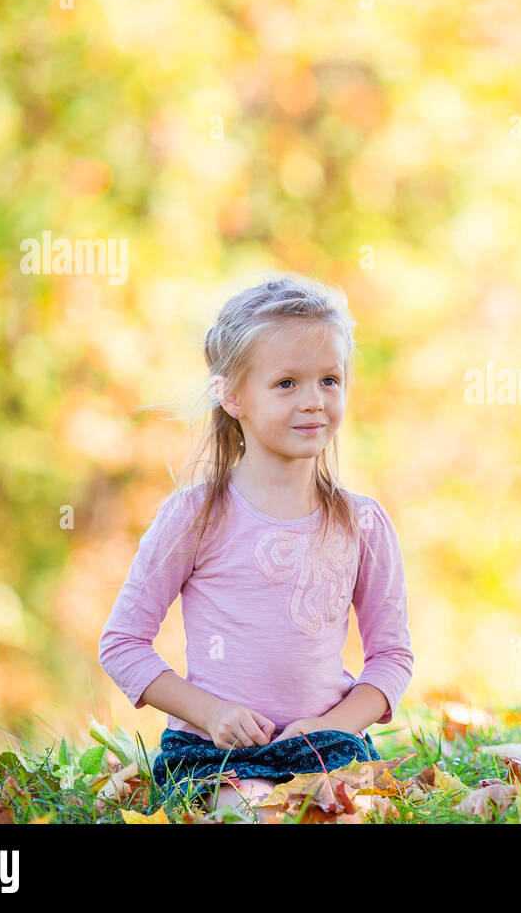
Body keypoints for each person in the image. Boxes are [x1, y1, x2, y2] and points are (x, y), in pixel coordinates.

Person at [98, 273, 413, 820]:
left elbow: (390, 658)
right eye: (287, 383)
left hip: (326, 744)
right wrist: (212, 712)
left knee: (343, 812)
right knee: (256, 812)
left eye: (329, 380)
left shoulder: (362, 522)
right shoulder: (195, 517)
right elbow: (122, 644)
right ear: (232, 395)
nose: (314, 401)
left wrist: (334, 725)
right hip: (215, 750)